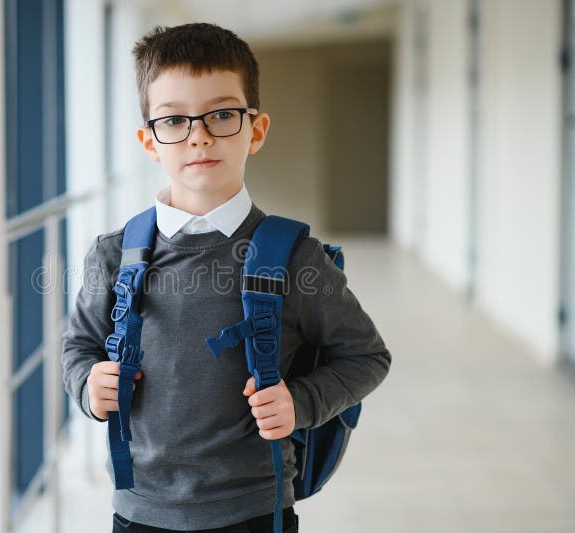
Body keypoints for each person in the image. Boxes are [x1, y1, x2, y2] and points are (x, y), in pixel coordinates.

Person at [61, 22, 392, 533]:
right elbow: (78, 347)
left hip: (254, 512)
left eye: (221, 114)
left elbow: (367, 356)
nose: (199, 135)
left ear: (256, 130)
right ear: (149, 141)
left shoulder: (296, 259)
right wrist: (88, 384)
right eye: (174, 120)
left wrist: (300, 402)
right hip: (138, 512)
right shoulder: (114, 255)